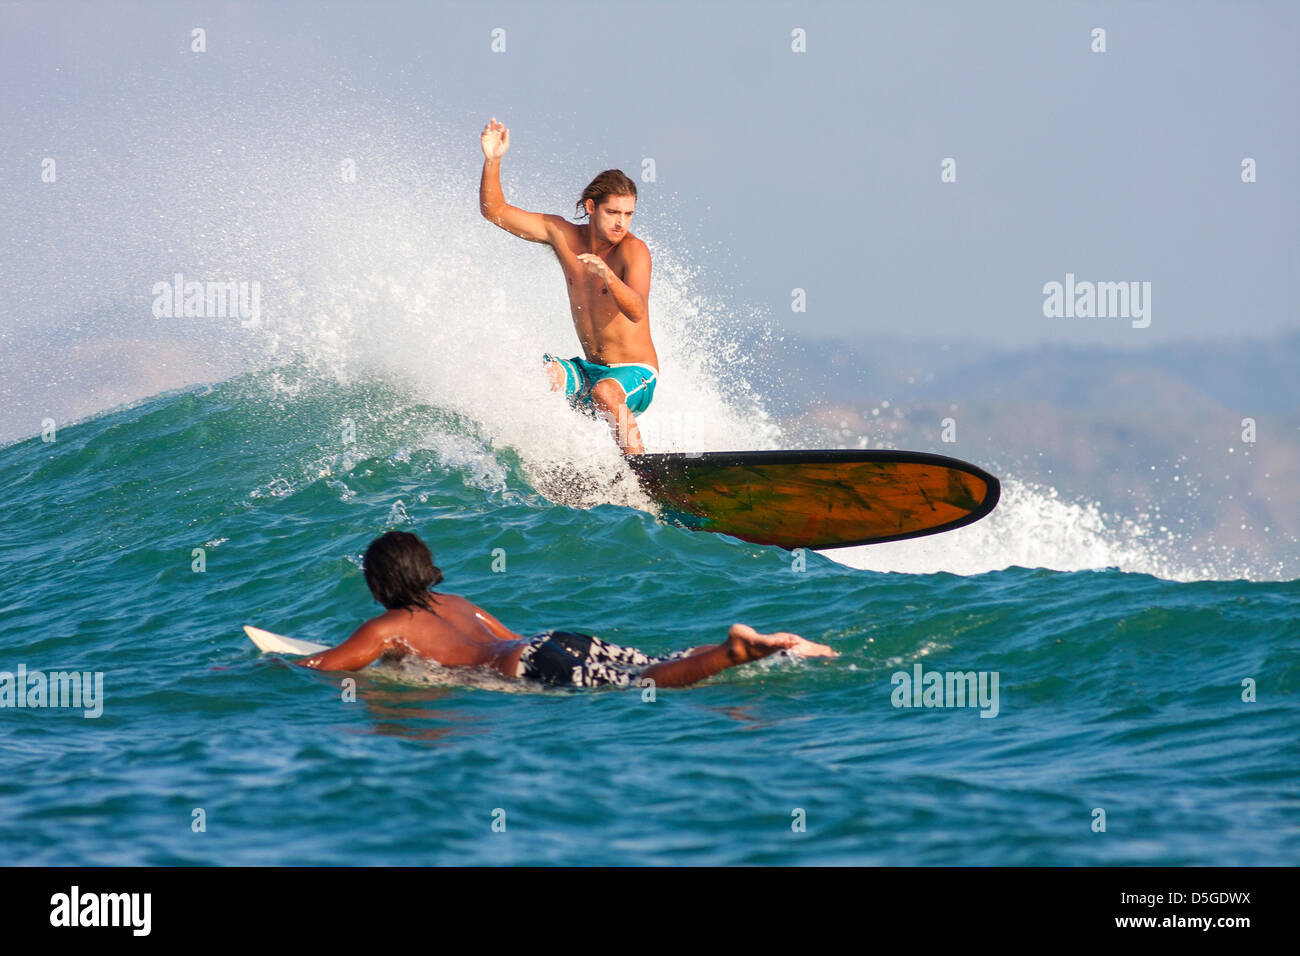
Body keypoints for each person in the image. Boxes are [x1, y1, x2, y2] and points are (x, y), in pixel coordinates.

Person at [296, 532, 837, 688]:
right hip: (554, 642)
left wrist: (256, 668)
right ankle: (773, 647)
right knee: (648, 663)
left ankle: (733, 652)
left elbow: (325, 666)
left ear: (380, 583)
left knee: (648, 681)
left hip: (532, 667)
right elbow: (506, 636)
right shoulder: (457, 603)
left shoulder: (387, 626)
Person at [478, 117, 658, 455]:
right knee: (537, 375)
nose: (621, 222)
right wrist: (493, 161)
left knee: (606, 393)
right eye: (613, 212)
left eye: (629, 214)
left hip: (635, 374)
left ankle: (643, 473)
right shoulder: (563, 235)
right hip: (590, 371)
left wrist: (608, 276)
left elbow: (636, 310)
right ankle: (553, 464)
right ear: (591, 207)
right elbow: (495, 211)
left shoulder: (634, 251)